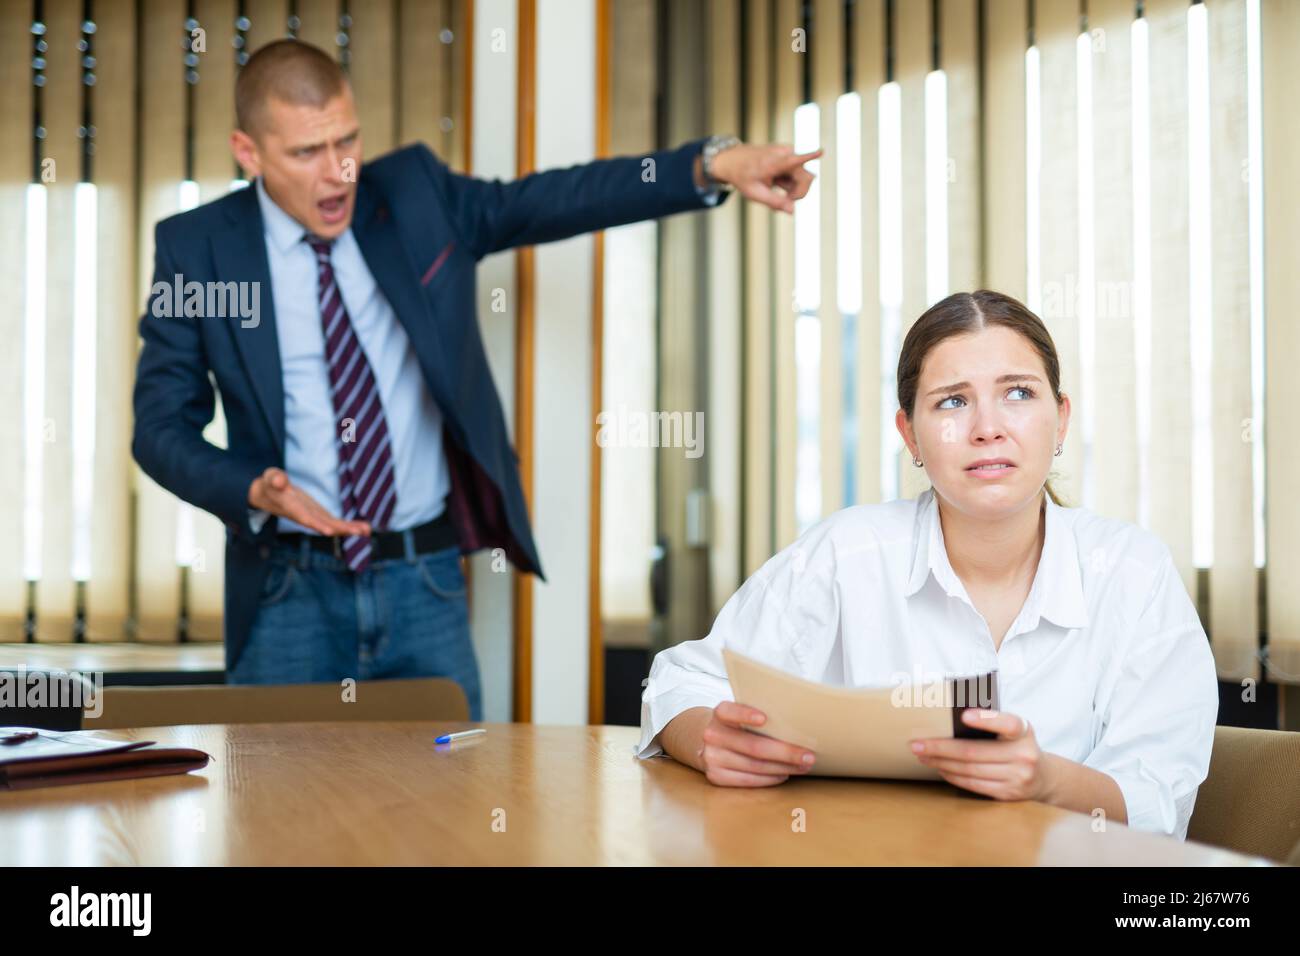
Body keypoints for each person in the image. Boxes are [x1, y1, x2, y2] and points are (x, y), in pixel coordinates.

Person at [131, 39, 821, 718]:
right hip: (286, 587)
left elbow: (551, 198)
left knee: (451, 806)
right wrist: (250, 487)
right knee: (276, 819)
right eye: (306, 153)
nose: (338, 172)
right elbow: (160, 427)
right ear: (248, 153)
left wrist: (713, 163)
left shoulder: (413, 196)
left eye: (347, 140)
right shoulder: (197, 250)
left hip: (422, 579)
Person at [636, 290, 1219, 839]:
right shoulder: (847, 553)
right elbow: (681, 681)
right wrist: (712, 741)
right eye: (953, 402)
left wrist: (1045, 781)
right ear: (909, 434)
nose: (988, 428)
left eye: (1018, 393)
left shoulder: (1133, 573)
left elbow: (1158, 800)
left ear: (1060, 420)